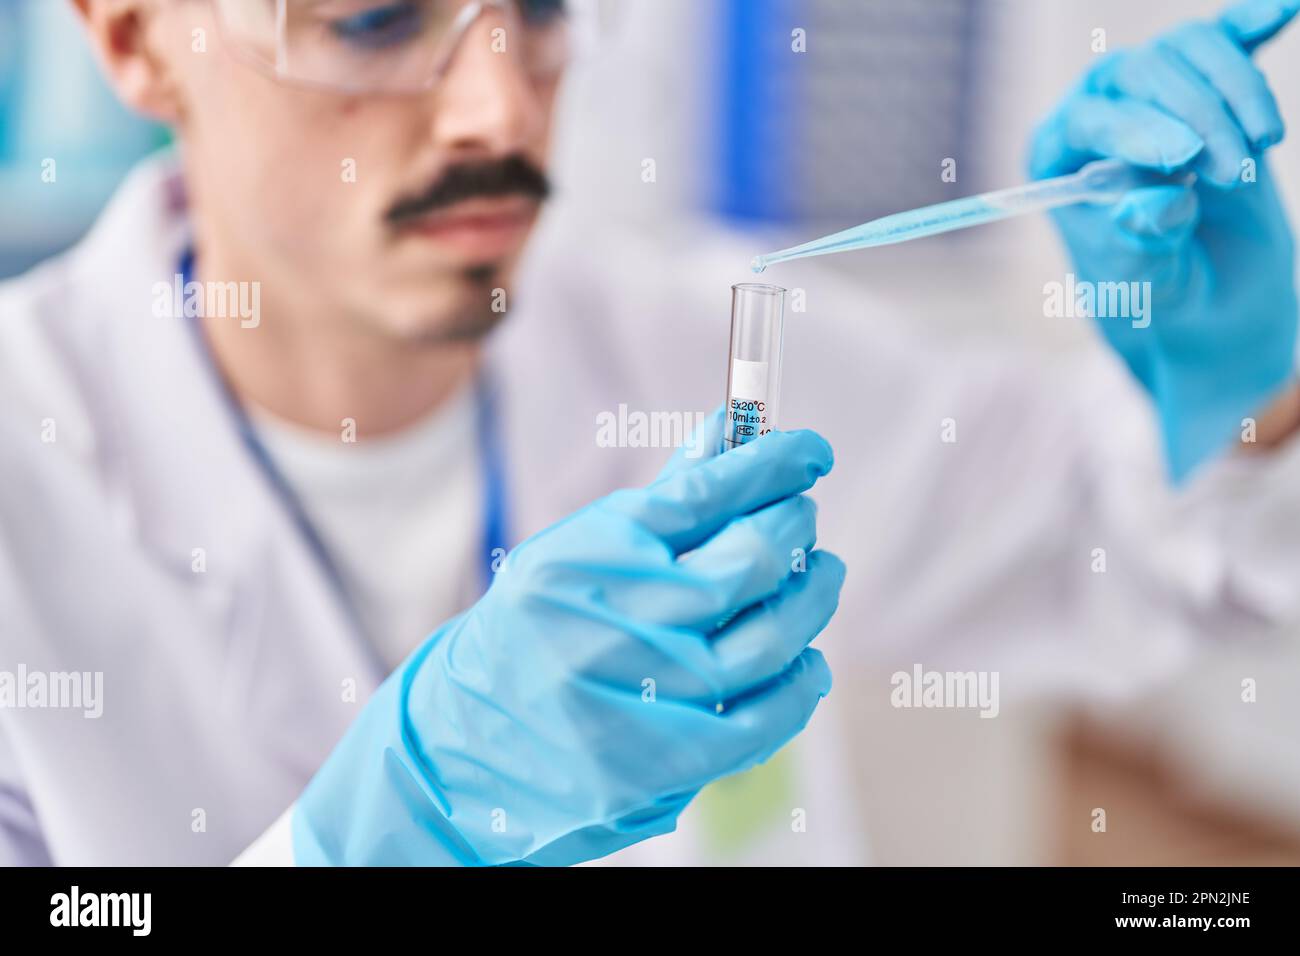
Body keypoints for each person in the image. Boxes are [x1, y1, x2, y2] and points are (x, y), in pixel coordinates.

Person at [1, 0, 1299, 866]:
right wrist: (390, 832)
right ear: (131, 38)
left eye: (544, 10)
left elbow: (1118, 536)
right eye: (379, 18)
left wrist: (1231, 375)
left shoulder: (672, 335)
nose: (501, 111)